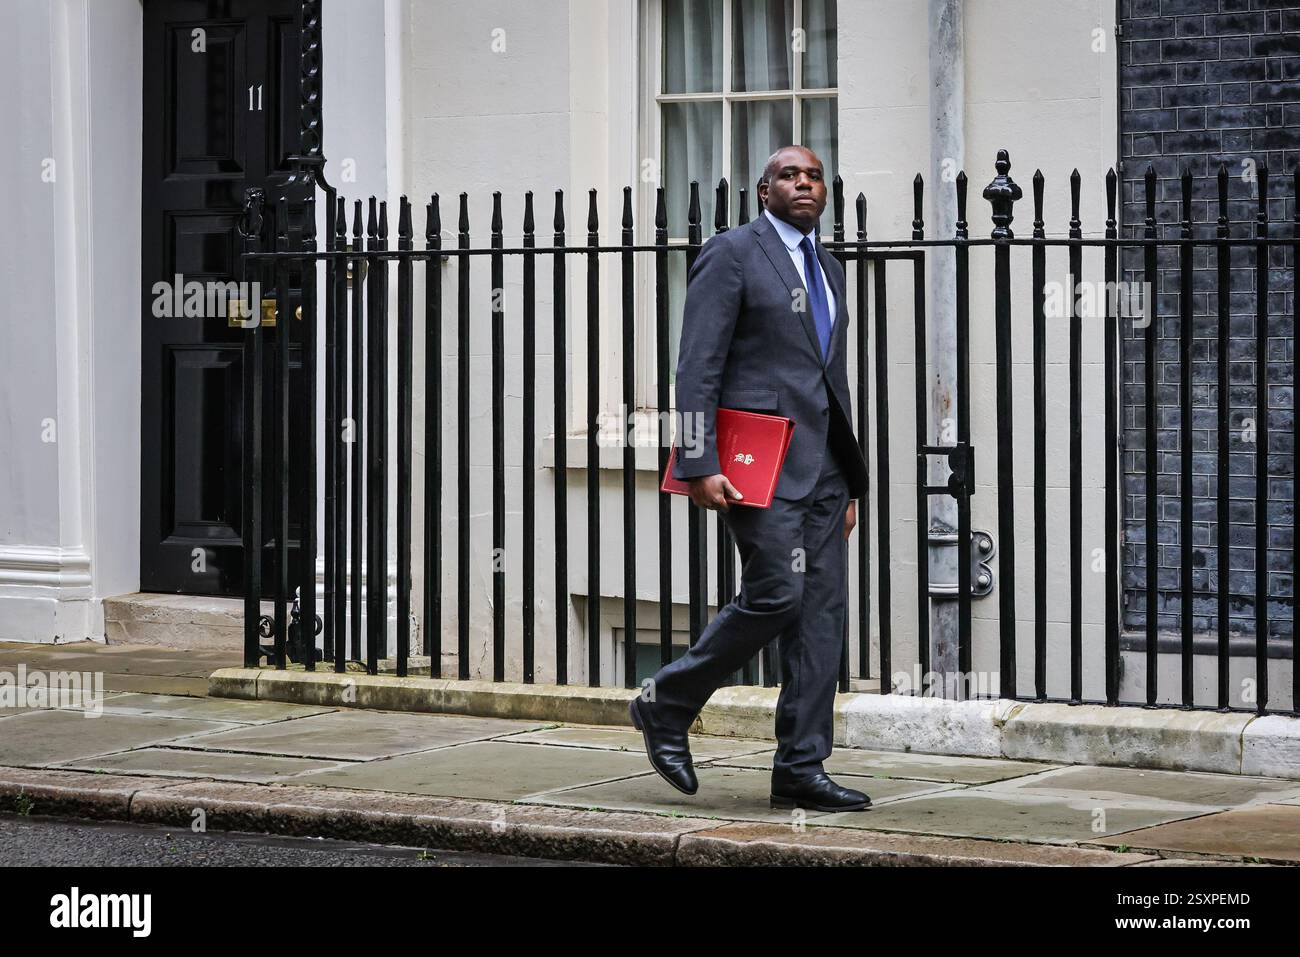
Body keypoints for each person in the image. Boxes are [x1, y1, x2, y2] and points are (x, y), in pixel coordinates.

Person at [629, 144, 872, 812]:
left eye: (814, 175)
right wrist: (700, 462)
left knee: (821, 618)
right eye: (789, 175)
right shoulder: (733, 252)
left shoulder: (828, 266)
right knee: (776, 594)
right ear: (764, 191)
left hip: (824, 469)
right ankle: (666, 700)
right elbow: (697, 364)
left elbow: (830, 378)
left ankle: (801, 764)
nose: (804, 183)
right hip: (758, 470)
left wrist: (849, 480)